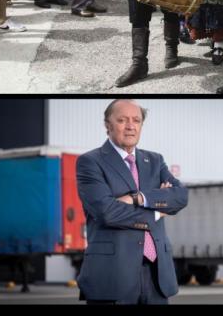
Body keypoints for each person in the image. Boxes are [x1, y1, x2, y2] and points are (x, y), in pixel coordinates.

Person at [75, 99, 188, 304]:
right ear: (107, 125)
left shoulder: (155, 160)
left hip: (156, 275)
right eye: (122, 120)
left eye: (136, 120)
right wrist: (156, 211)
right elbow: (107, 213)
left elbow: (180, 196)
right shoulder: (90, 162)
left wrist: (138, 198)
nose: (130, 126)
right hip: (113, 274)